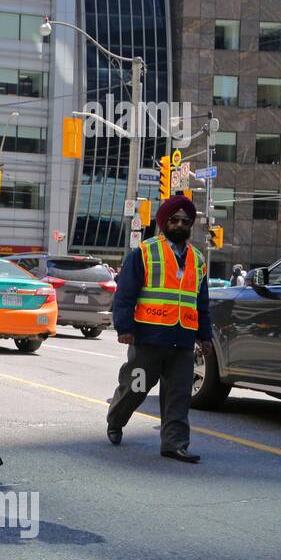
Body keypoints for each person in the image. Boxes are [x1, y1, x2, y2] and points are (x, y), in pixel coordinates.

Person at [106, 194, 212, 463]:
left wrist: (205, 336)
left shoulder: (198, 259)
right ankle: (116, 420)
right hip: (148, 339)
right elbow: (125, 294)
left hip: (183, 341)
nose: (180, 225)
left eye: (185, 221)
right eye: (174, 220)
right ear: (164, 223)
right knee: (136, 387)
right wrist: (124, 327)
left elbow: (201, 303)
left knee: (179, 395)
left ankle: (174, 444)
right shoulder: (144, 252)